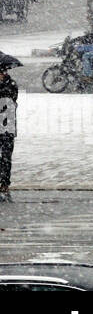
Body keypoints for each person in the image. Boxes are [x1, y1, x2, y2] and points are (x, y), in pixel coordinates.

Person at [0, 52, 20, 202]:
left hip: (7, 126)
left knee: (6, 157)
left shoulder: (11, 84)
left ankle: (5, 185)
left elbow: (11, 101)